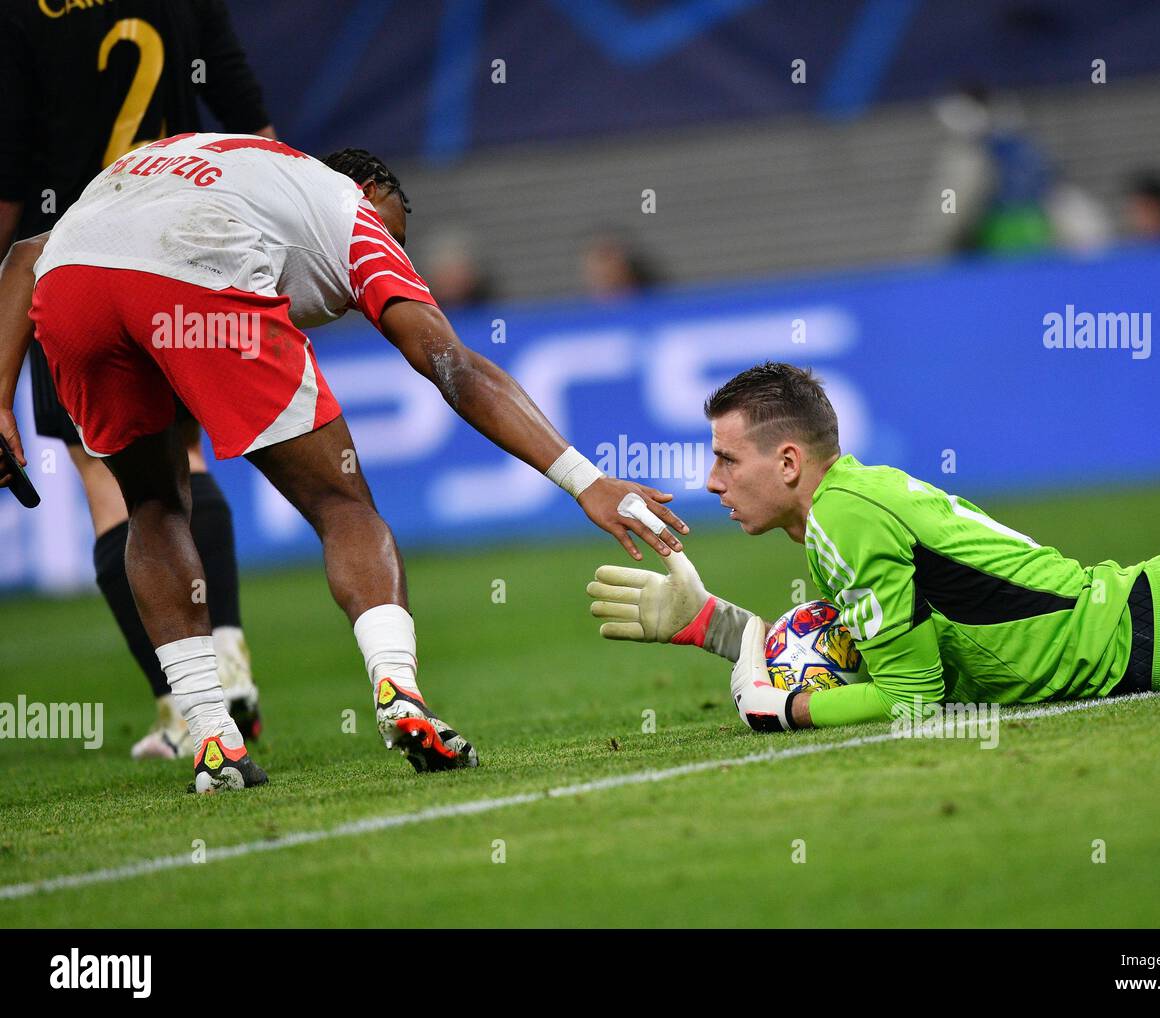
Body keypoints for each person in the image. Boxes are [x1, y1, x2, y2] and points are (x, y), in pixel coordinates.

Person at [0, 134, 686, 791]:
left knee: (150, 506)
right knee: (344, 507)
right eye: (398, 235)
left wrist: (1, 402)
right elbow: (451, 364)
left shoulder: (217, 163)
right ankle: (399, 693)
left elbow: (27, 254)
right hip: (197, 268)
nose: (398, 257)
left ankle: (212, 739)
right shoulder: (350, 212)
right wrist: (585, 480)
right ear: (369, 191)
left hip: (71, 285)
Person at [585, 362, 1160, 732]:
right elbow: (921, 654)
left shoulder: (846, 523)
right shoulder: (848, 507)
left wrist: (785, 711)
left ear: (790, 463)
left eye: (726, 460)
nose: (711, 483)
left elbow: (914, 700)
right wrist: (721, 629)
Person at [0, 0, 277, 759]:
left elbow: (12, 179)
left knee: (108, 477)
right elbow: (253, 129)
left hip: (76, 264)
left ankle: (184, 705)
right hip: (183, 245)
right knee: (184, 455)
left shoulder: (24, 15)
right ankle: (227, 656)